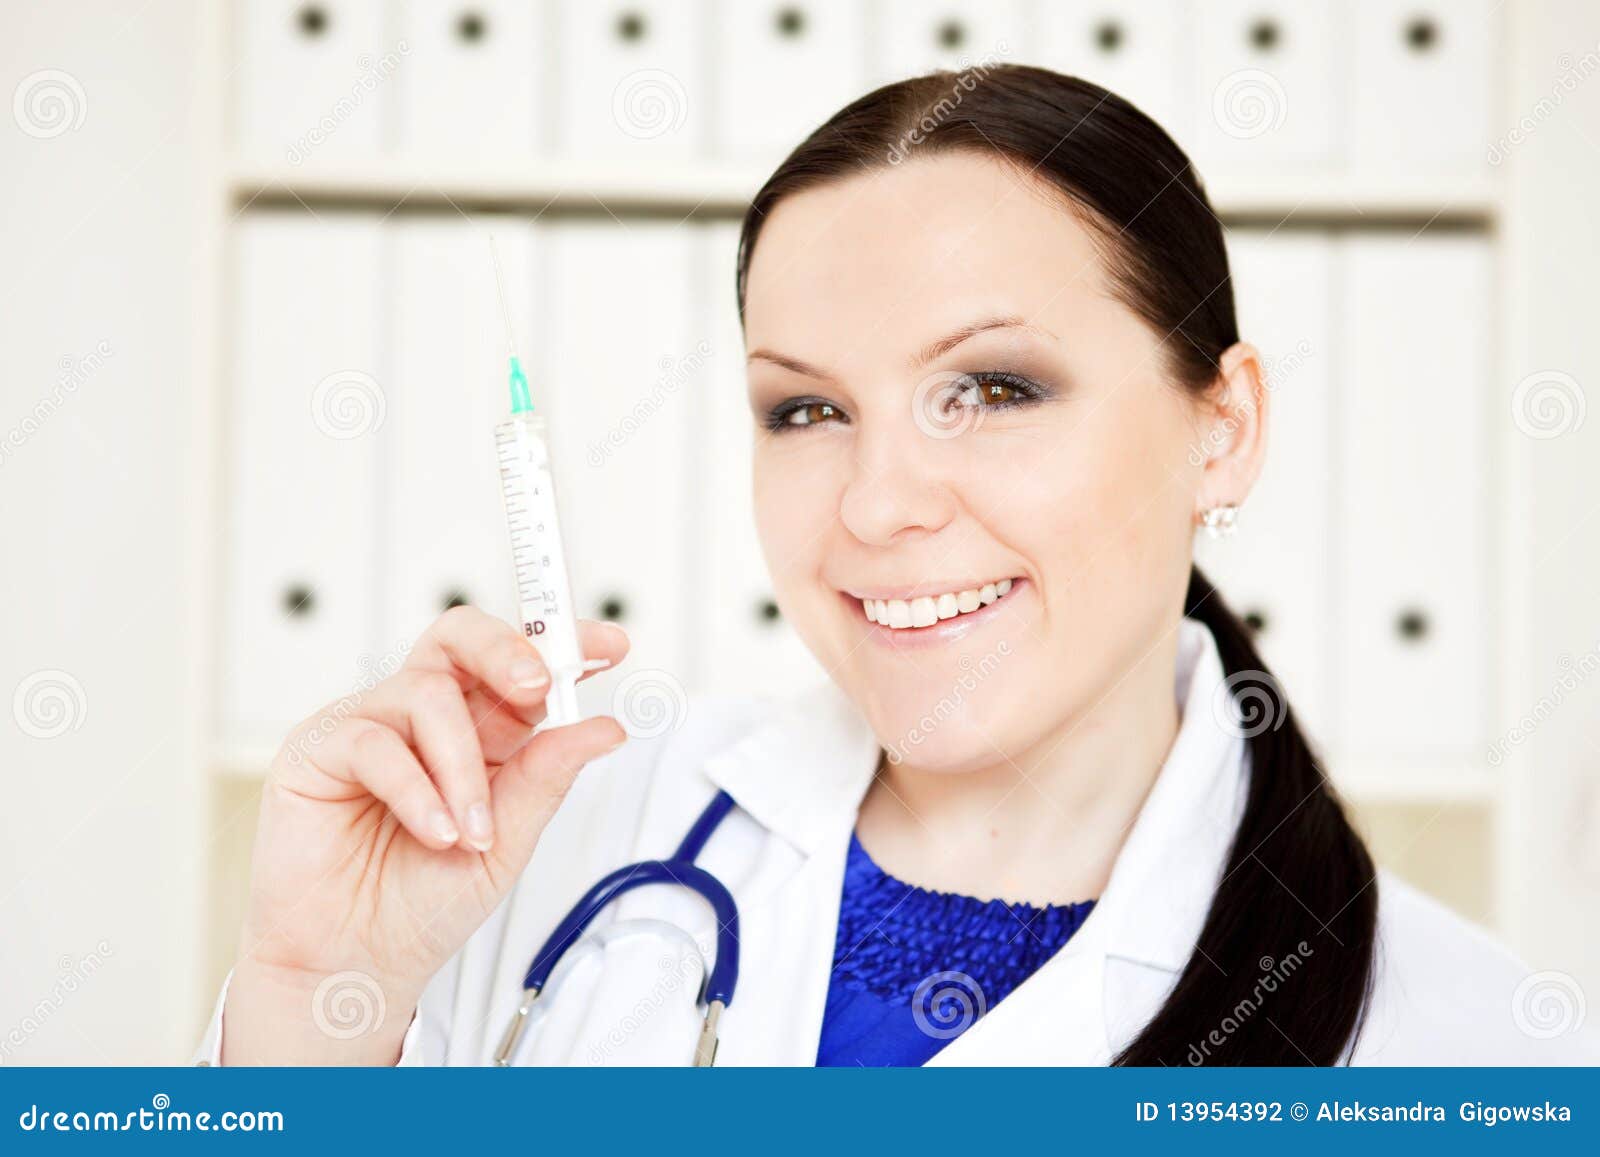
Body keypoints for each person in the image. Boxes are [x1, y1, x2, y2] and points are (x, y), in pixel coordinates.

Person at [197, 65, 1598, 1066]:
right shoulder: (558, 847)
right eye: (805, 408)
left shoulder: (1463, 1043)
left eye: (992, 387)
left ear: (1221, 429)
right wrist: (315, 997)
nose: (875, 503)